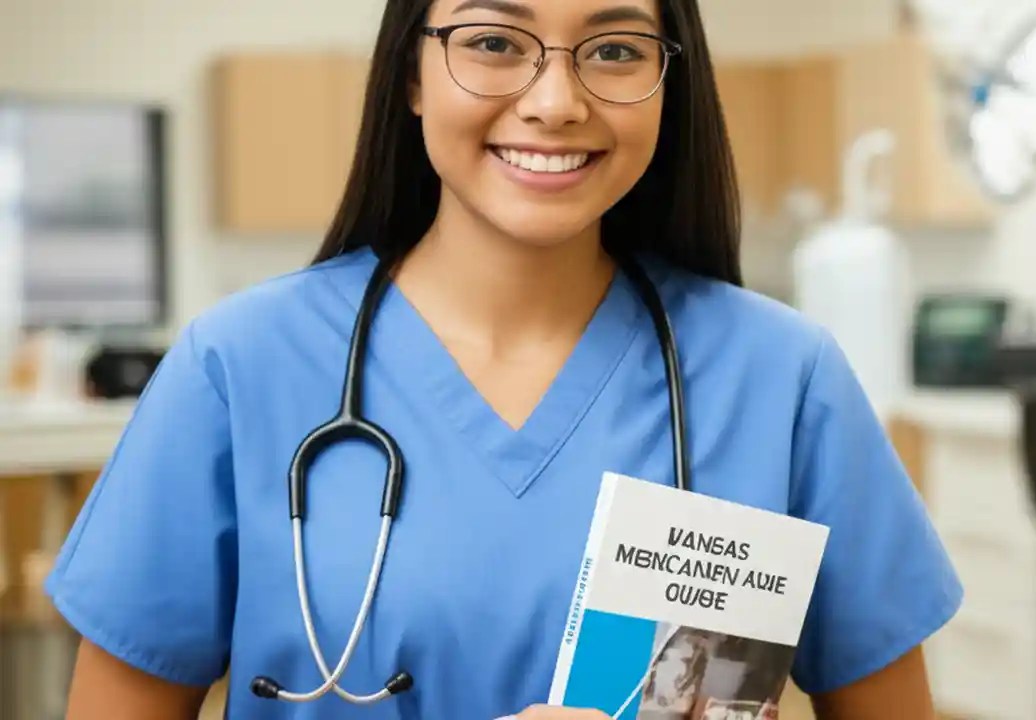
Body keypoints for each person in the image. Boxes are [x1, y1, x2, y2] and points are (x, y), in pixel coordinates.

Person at [44, 0, 963, 718]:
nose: (556, 102)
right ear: (411, 71)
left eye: (614, 50)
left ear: (667, 82)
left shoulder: (780, 380)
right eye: (493, 42)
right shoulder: (237, 370)